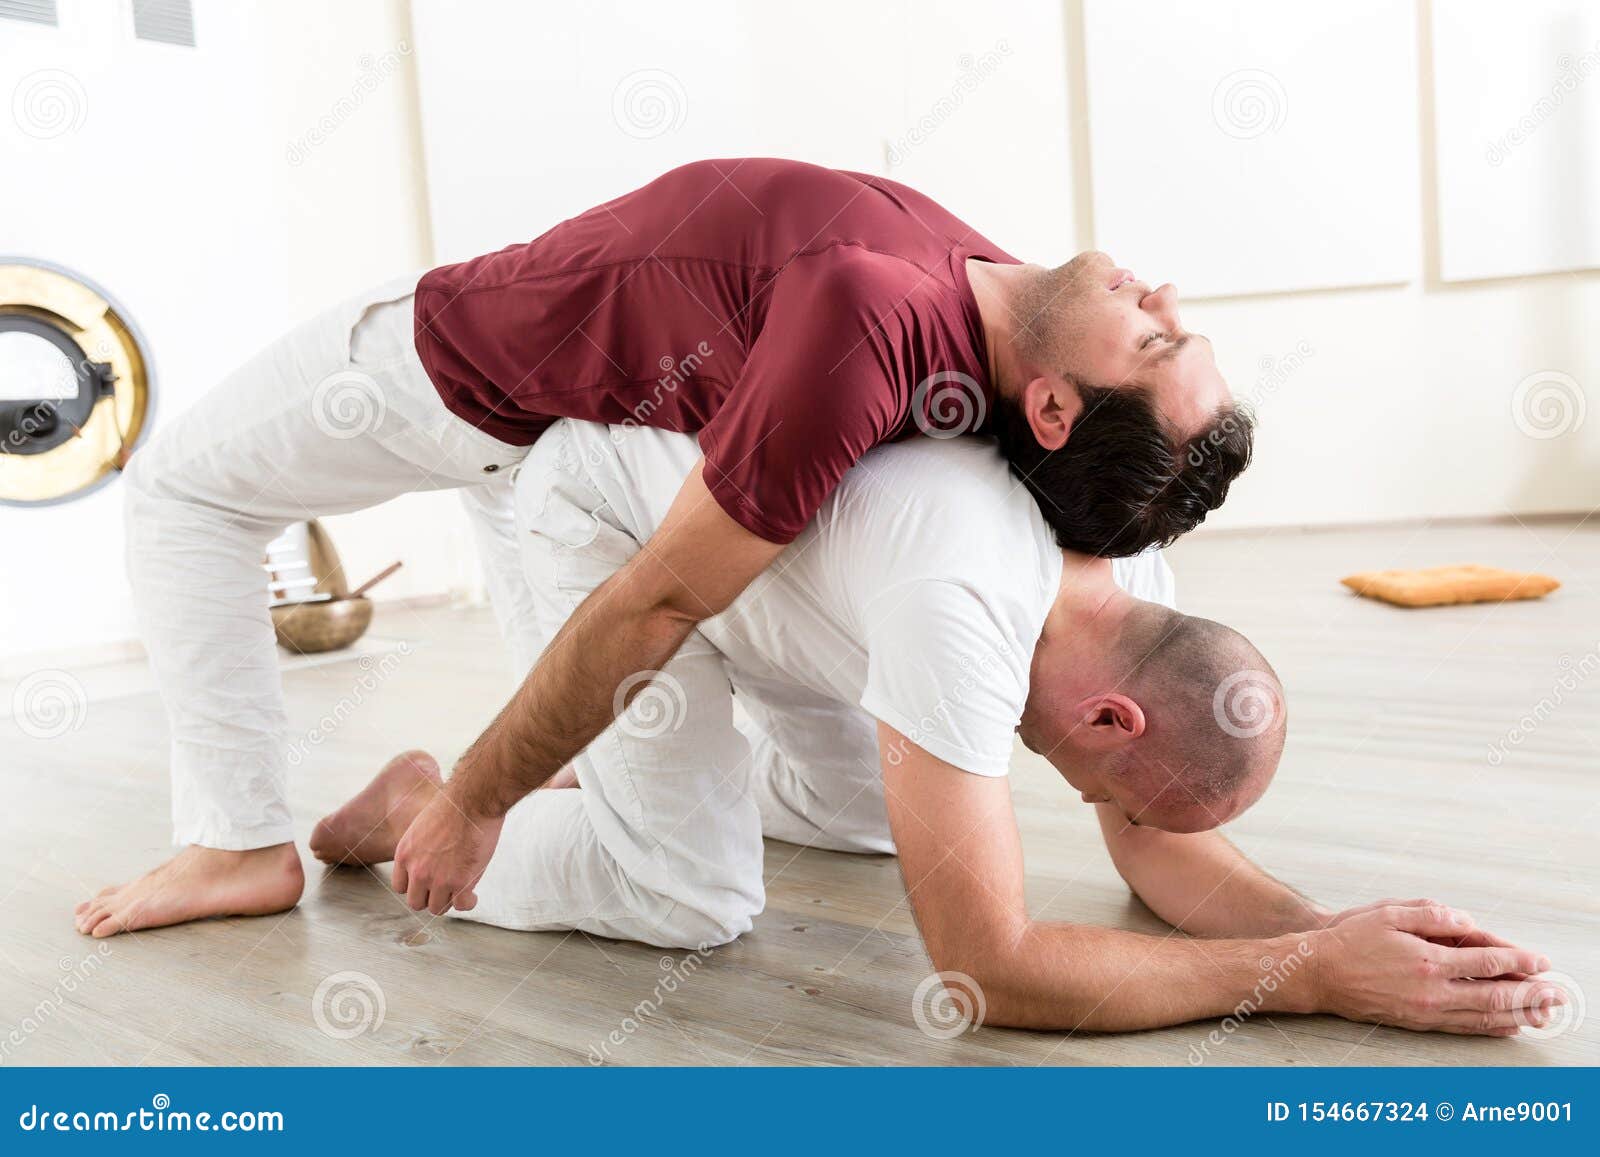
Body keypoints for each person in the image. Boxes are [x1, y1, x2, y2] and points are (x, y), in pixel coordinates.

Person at [84, 157, 1250, 935]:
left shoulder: (885, 326)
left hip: (460, 381)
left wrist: (474, 802)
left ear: (1053, 410)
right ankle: (333, 821)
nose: (1164, 294)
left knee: (173, 491)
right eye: (1173, 328)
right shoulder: (1012, 333)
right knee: (586, 768)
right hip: (565, 425)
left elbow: (656, 604)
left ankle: (247, 843)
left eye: (1154, 341)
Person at [303, 422, 1562, 1035]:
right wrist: (1305, 980)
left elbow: (1155, 839)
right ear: (1112, 712)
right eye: (1112, 781)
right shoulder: (967, 606)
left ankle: (626, 778)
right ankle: (427, 801)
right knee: (687, 894)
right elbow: (990, 971)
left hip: (788, 587)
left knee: (875, 815)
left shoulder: (1129, 592)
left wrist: (1335, 930)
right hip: (599, 514)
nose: (1109, 812)